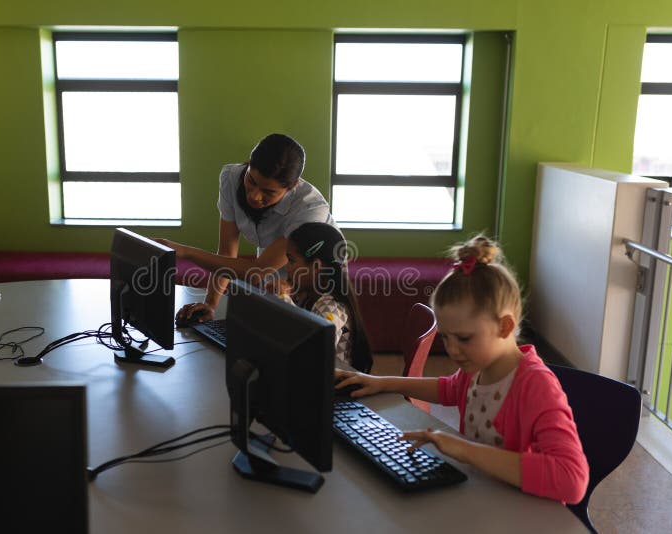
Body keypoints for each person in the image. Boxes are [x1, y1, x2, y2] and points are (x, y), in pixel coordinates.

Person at [334, 235, 589, 504]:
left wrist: (465, 450)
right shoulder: (478, 367)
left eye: (464, 338)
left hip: (523, 512)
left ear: (505, 327)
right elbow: (449, 389)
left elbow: (572, 480)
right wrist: (381, 382)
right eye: (446, 337)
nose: (453, 351)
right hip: (483, 499)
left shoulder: (535, 385)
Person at [155, 133, 335, 324]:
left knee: (311, 342)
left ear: (292, 187)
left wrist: (185, 252)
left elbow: (257, 271)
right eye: (252, 181)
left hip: (317, 283)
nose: (255, 196)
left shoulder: (310, 209)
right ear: (249, 164)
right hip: (273, 276)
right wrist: (210, 305)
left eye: (269, 192)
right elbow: (226, 253)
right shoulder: (231, 179)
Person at [267, 222, 372, 373]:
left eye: (291, 260)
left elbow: (311, 353)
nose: (286, 268)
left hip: (330, 387)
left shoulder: (331, 309)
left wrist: (284, 299)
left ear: (316, 266)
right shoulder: (308, 296)